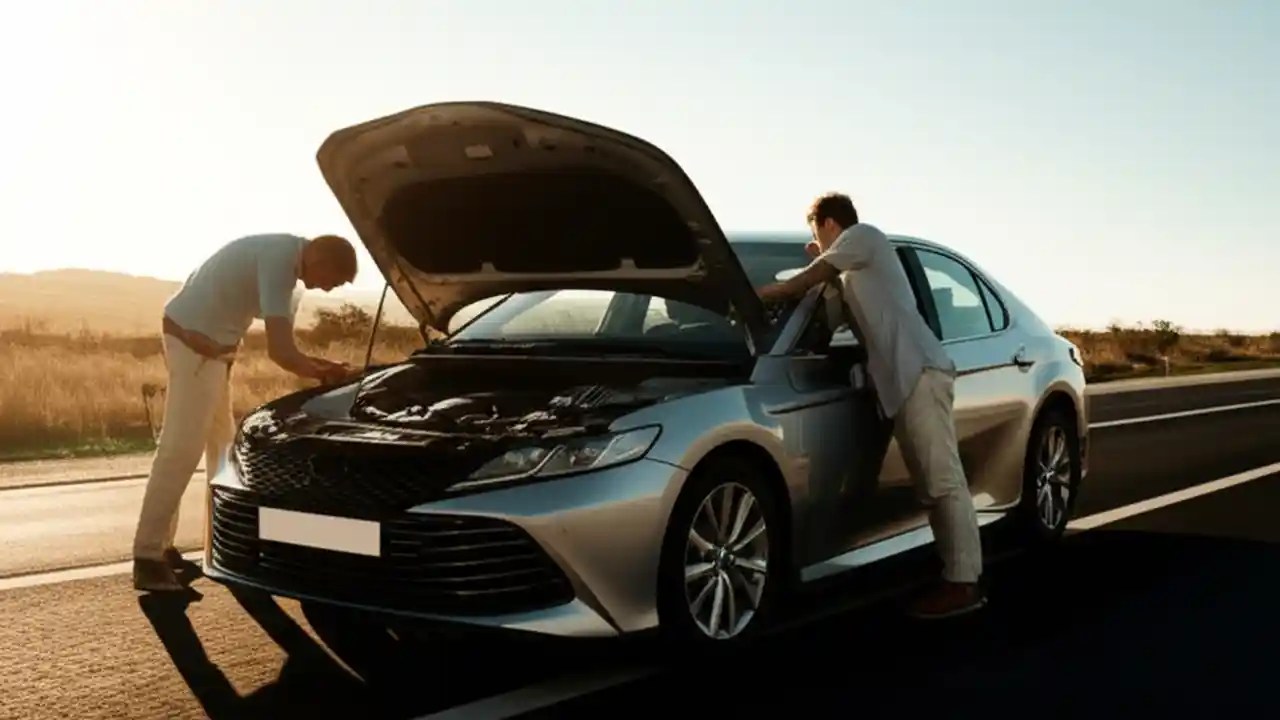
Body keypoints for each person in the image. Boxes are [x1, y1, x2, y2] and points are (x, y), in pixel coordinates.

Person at [758, 193, 986, 619]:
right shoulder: (851, 270)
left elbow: (812, 275)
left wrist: (773, 291)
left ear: (828, 223)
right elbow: (829, 314)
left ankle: (964, 584)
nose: (817, 243)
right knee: (932, 487)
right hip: (902, 383)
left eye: (816, 233)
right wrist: (820, 273)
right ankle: (956, 576)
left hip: (919, 371)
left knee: (943, 483)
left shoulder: (865, 236)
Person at [131, 233, 360, 592]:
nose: (330, 289)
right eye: (335, 279)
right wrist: (324, 372)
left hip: (214, 353)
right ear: (321, 259)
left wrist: (324, 366)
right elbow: (281, 353)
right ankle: (147, 558)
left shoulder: (291, 271)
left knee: (223, 449)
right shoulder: (280, 261)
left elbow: (290, 350)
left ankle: (187, 545)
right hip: (192, 345)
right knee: (181, 448)